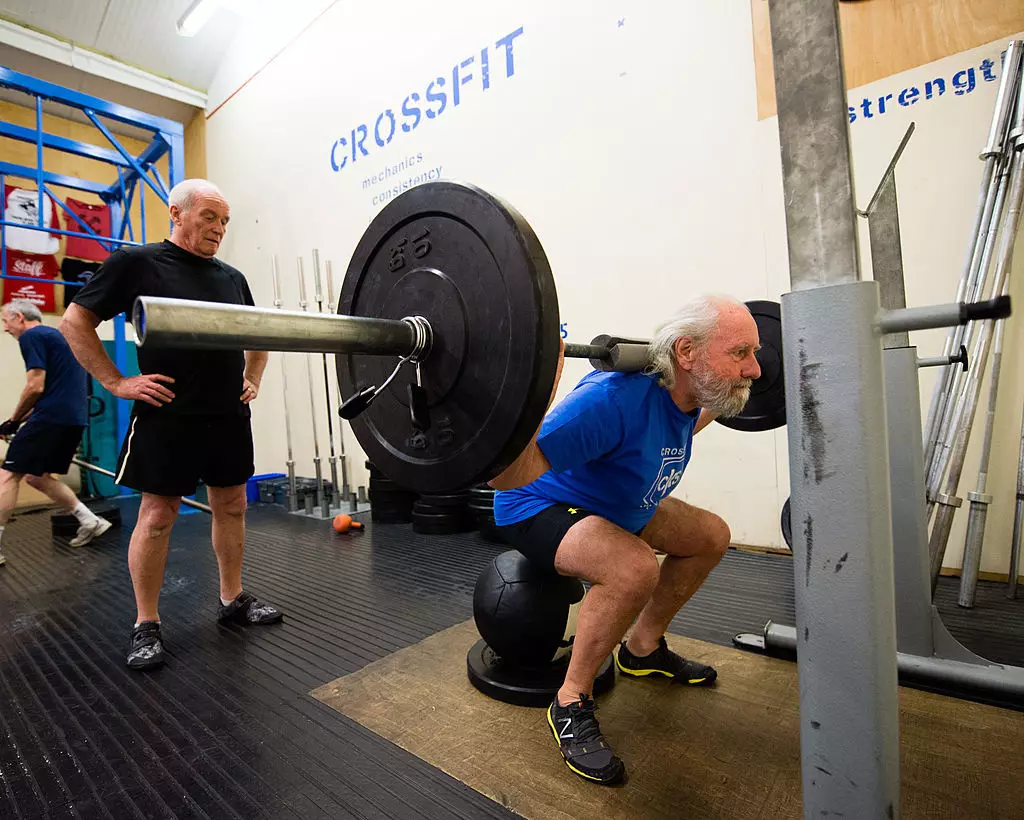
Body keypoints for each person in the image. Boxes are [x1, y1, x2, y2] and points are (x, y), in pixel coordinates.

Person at [491, 293, 761, 786]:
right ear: (686, 353)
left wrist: (731, 387)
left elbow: (690, 421)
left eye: (756, 353)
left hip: (613, 500)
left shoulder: (688, 395)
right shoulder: (610, 400)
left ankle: (641, 648)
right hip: (534, 502)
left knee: (709, 537)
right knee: (633, 568)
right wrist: (536, 395)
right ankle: (571, 698)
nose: (757, 369)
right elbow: (508, 475)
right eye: (740, 354)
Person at [60, 178, 282, 671]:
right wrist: (118, 382)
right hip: (167, 412)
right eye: (209, 217)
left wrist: (252, 377)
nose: (219, 229)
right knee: (157, 518)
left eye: (225, 221)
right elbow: (75, 323)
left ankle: (232, 598)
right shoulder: (137, 264)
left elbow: (259, 332)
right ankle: (146, 623)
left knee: (232, 506)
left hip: (226, 414)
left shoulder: (231, 277)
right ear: (176, 213)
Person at [0, 299, 113, 566]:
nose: (6, 328)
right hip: (72, 419)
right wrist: (14, 421)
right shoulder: (58, 336)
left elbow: (35, 387)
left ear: (18, 317)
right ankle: (90, 520)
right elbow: (50, 392)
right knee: (36, 477)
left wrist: (14, 420)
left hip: (51, 418)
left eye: (6, 321)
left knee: (8, 475)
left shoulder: (32, 335)